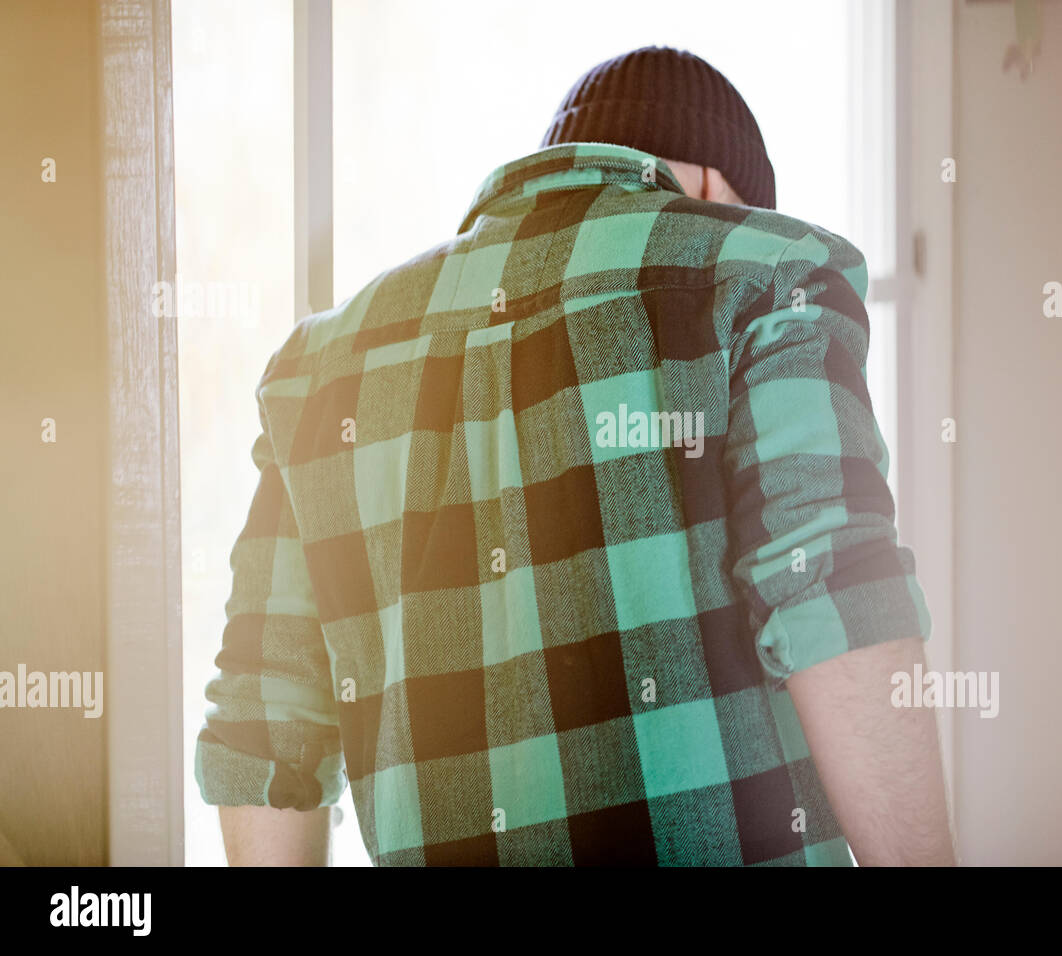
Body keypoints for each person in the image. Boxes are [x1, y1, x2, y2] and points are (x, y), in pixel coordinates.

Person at [197, 46, 954, 866]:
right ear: (707, 184)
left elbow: (264, 725)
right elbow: (834, 600)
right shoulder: (773, 275)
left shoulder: (319, 370)